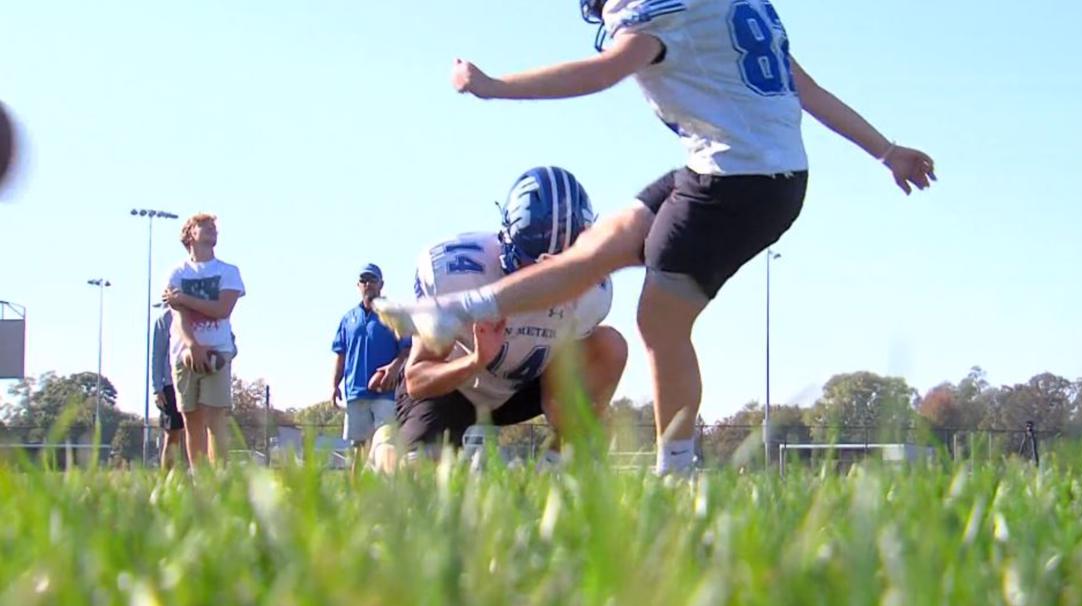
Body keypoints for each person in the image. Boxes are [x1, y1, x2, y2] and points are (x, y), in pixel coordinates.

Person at [375, 0, 936, 474]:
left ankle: (677, 468)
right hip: (738, 170)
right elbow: (805, 87)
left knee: (659, 325)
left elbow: (601, 72)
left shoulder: (658, 13)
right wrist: (885, 150)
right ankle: (458, 310)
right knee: (602, 244)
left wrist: (492, 86)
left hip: (738, 184)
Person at [376, 166, 627, 472]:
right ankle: (386, 448)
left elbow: (558, 382)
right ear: (506, 241)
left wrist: (568, 416)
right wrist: (477, 359)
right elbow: (417, 380)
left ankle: (556, 465)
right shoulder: (458, 273)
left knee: (610, 345)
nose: (542, 280)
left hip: (519, 388)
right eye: (530, 264)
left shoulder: (592, 292)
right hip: (455, 388)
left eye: (559, 269)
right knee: (419, 477)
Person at [163, 212, 245, 470]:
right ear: (190, 234)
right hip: (184, 354)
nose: (212, 229)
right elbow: (178, 315)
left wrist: (185, 299)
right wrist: (192, 345)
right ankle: (199, 478)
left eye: (214, 227)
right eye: (204, 225)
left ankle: (218, 480)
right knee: (191, 420)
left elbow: (222, 309)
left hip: (218, 352)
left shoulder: (228, 271)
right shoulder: (177, 272)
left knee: (215, 419)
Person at [331, 263, 410, 473]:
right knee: (360, 449)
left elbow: (407, 350)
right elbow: (341, 353)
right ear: (358, 285)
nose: (368, 285)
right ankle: (357, 498)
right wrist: (334, 385)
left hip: (386, 393)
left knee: (387, 444)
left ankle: (388, 493)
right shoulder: (348, 319)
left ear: (381, 284)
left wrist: (394, 368)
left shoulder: (394, 314)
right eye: (364, 281)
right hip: (356, 391)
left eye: (372, 280)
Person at [151, 303, 187, 470]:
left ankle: (198, 478)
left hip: (196, 378)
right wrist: (157, 388)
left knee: (197, 430)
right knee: (172, 434)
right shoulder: (164, 319)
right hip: (171, 385)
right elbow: (157, 355)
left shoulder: (202, 310)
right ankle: (167, 479)